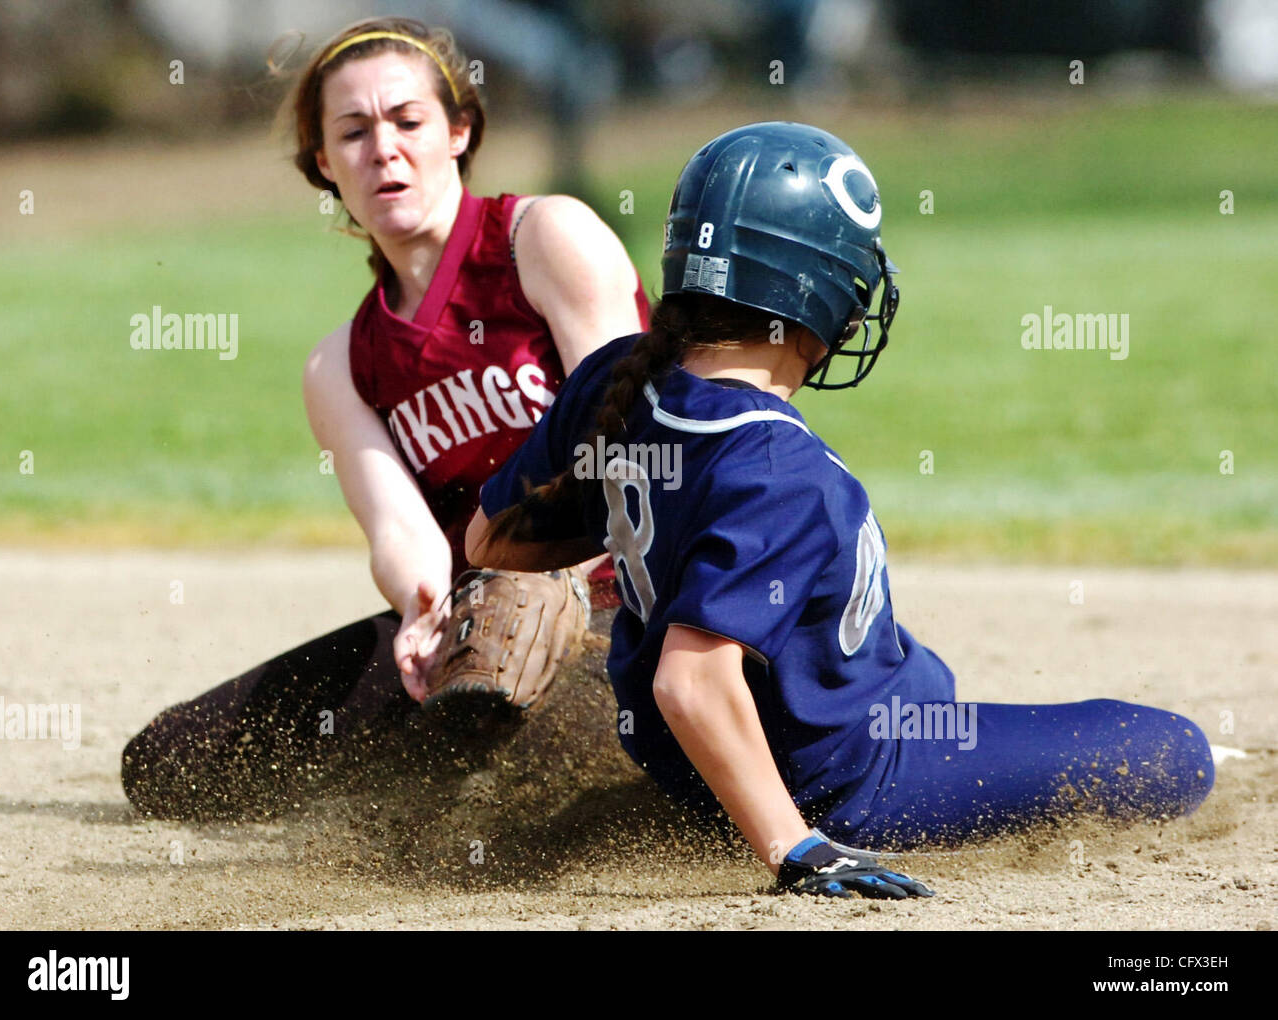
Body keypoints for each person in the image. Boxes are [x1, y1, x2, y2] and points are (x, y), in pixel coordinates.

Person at [464, 121, 1216, 898]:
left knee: (922, 682)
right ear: (820, 296)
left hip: (688, 767)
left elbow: (489, 540)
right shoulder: (781, 467)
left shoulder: (616, 375)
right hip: (844, 781)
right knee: (1169, 751)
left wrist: (644, 531)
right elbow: (689, 685)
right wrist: (796, 847)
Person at [121, 16, 649, 818]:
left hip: (627, 601)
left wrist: (558, 581)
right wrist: (424, 611)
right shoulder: (341, 365)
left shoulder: (541, 239)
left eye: (408, 121)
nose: (385, 148)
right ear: (324, 163)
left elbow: (634, 443)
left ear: (458, 132)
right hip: (476, 636)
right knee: (171, 763)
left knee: (500, 802)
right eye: (354, 131)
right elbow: (400, 532)